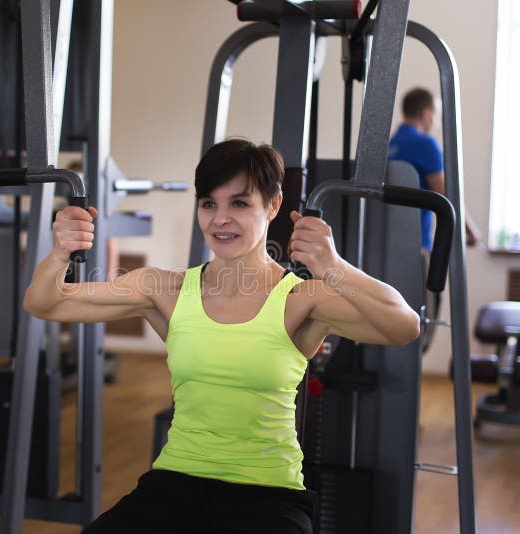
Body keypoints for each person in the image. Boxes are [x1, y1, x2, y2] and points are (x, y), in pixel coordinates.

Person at [24, 139, 420, 533]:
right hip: (174, 485)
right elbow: (45, 303)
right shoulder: (164, 289)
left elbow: (403, 325)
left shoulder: (301, 298)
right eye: (209, 204)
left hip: (268, 497)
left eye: (240, 203)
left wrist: (333, 265)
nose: (220, 219)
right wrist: (60, 252)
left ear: (274, 206)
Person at [388, 87, 480, 351]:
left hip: (389, 249)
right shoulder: (425, 143)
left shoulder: (391, 143)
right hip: (417, 247)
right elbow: (447, 195)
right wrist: (471, 231)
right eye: (436, 116)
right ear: (427, 114)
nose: (436, 122)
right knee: (420, 324)